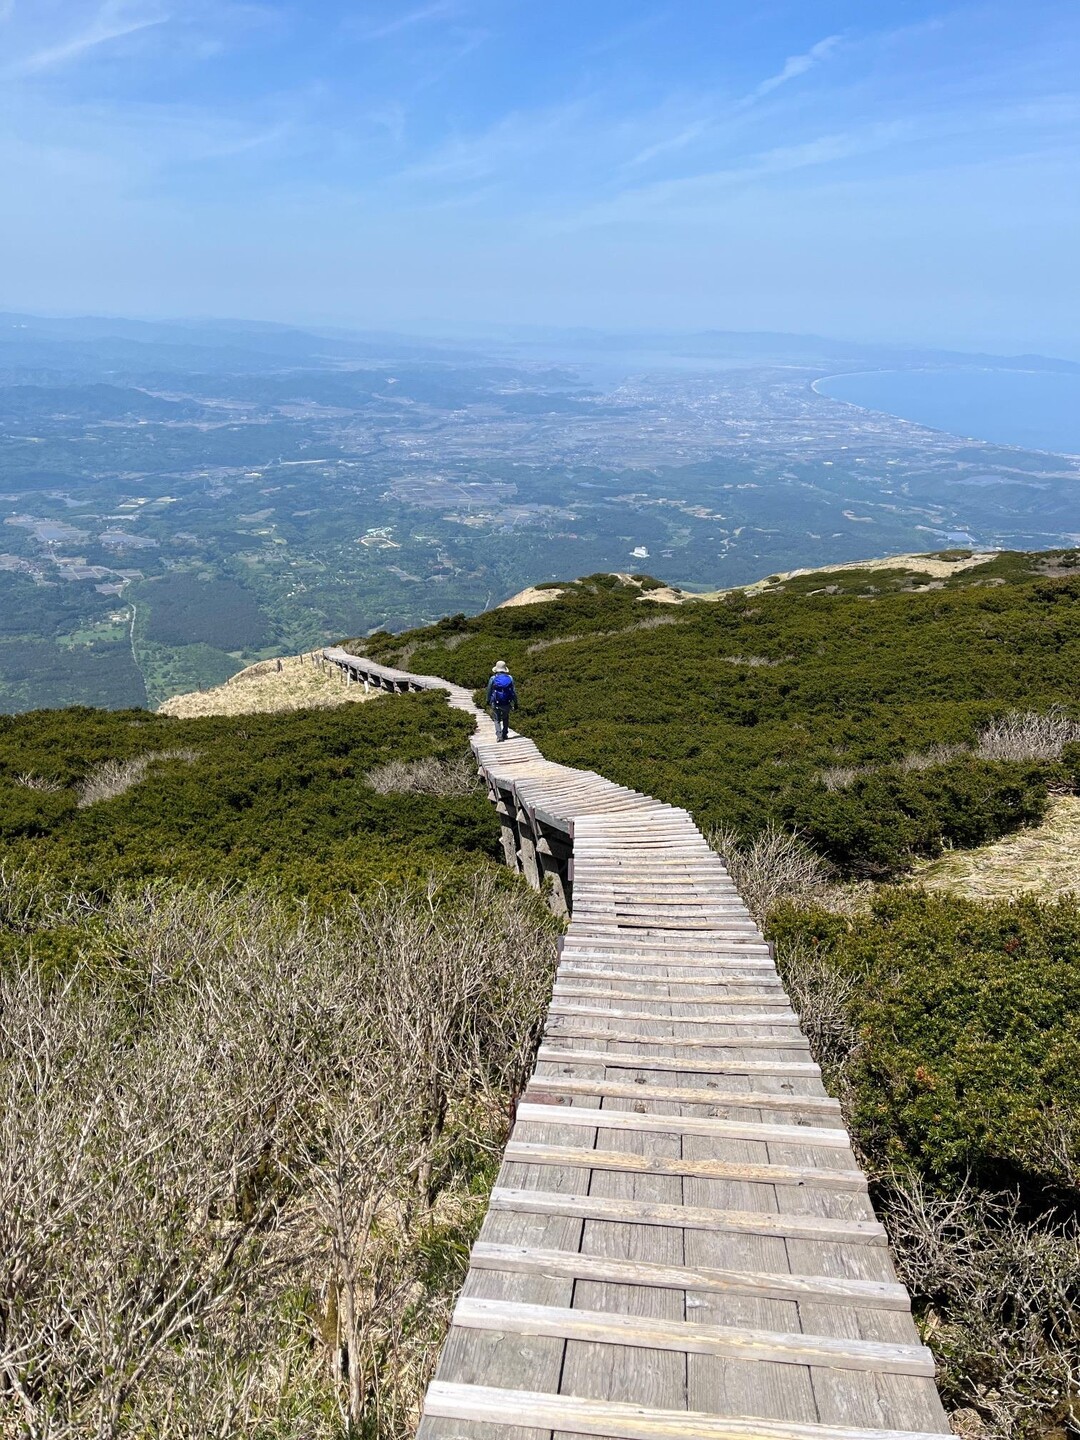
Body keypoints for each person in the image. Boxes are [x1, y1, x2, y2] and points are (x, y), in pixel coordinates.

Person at [486, 660, 518, 741]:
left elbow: (489, 690)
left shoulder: (493, 678)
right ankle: (505, 734)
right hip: (507, 702)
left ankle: (499, 736)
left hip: (496, 702)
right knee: (505, 718)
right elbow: (513, 692)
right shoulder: (510, 678)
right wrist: (515, 703)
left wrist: (488, 700)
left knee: (497, 719)